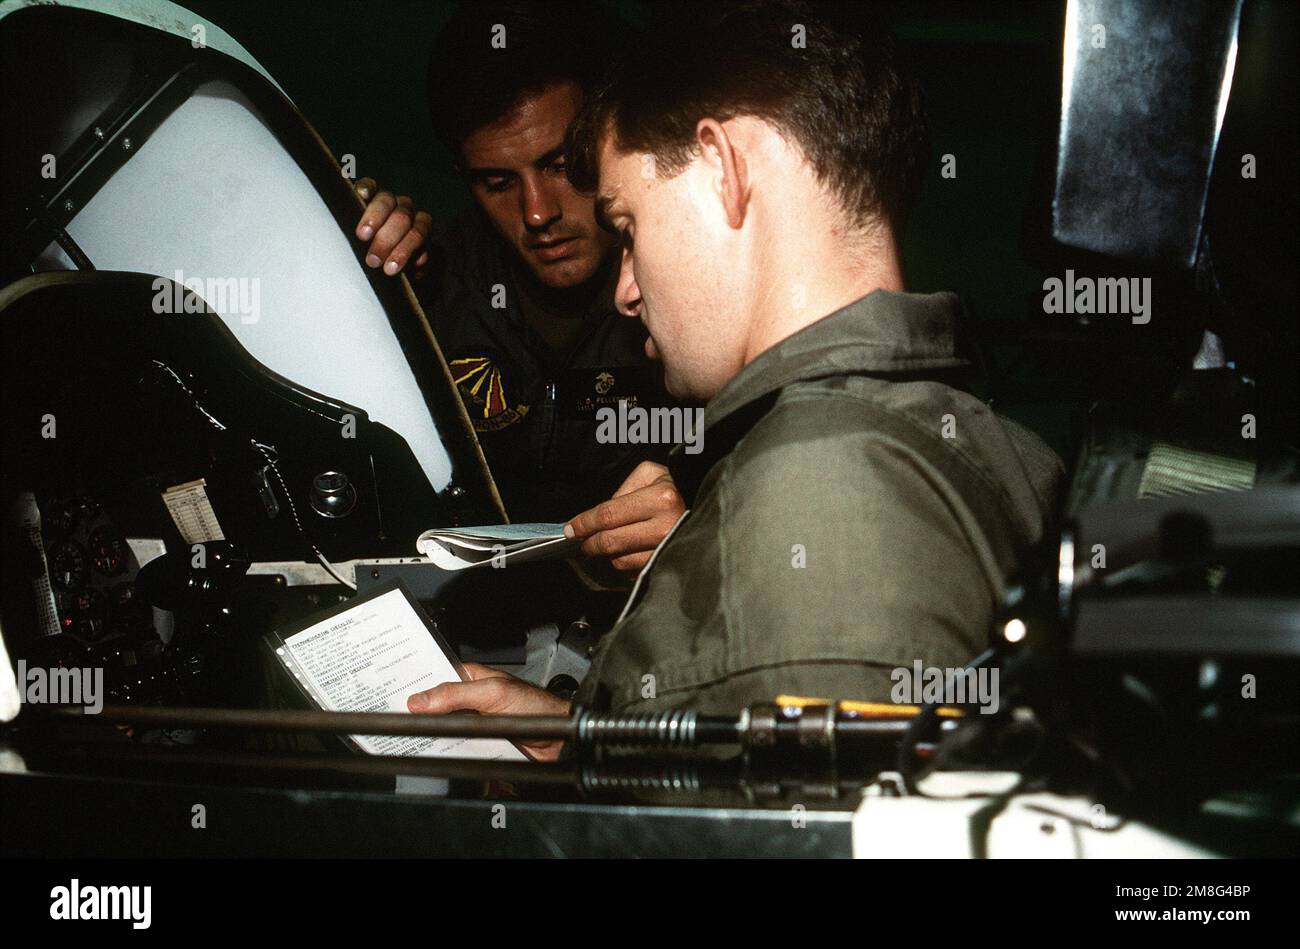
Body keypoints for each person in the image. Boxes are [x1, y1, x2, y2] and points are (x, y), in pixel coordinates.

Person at [407, 1, 1063, 760]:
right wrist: (577, 746)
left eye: (627, 226)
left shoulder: (820, 494)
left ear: (725, 170)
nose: (624, 288)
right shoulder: (974, 439)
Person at [353, 1, 683, 572]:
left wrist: (701, 521)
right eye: (499, 182)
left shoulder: (687, 289)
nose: (536, 214)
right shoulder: (430, 285)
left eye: (560, 165)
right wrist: (370, 280)